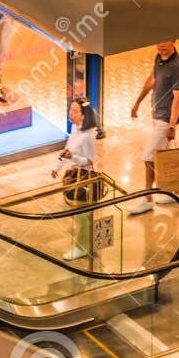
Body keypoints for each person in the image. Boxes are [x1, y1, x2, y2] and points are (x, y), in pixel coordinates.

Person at [128, 39, 179, 214]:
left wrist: (172, 126)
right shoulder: (159, 58)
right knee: (164, 156)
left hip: (165, 120)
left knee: (148, 157)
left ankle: (147, 198)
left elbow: (178, 100)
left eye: (165, 41)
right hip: (157, 117)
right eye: (158, 42)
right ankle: (178, 192)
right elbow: (152, 79)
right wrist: (138, 101)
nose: (161, 45)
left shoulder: (178, 68)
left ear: (174, 42)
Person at [52, 97, 102, 262]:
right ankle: (86, 245)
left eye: (74, 111)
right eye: (70, 110)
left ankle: (82, 248)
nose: (70, 114)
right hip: (74, 174)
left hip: (84, 178)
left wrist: (74, 157)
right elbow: (68, 148)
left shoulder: (88, 136)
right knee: (80, 216)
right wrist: (57, 167)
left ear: (84, 115)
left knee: (82, 216)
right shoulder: (75, 128)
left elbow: (89, 162)